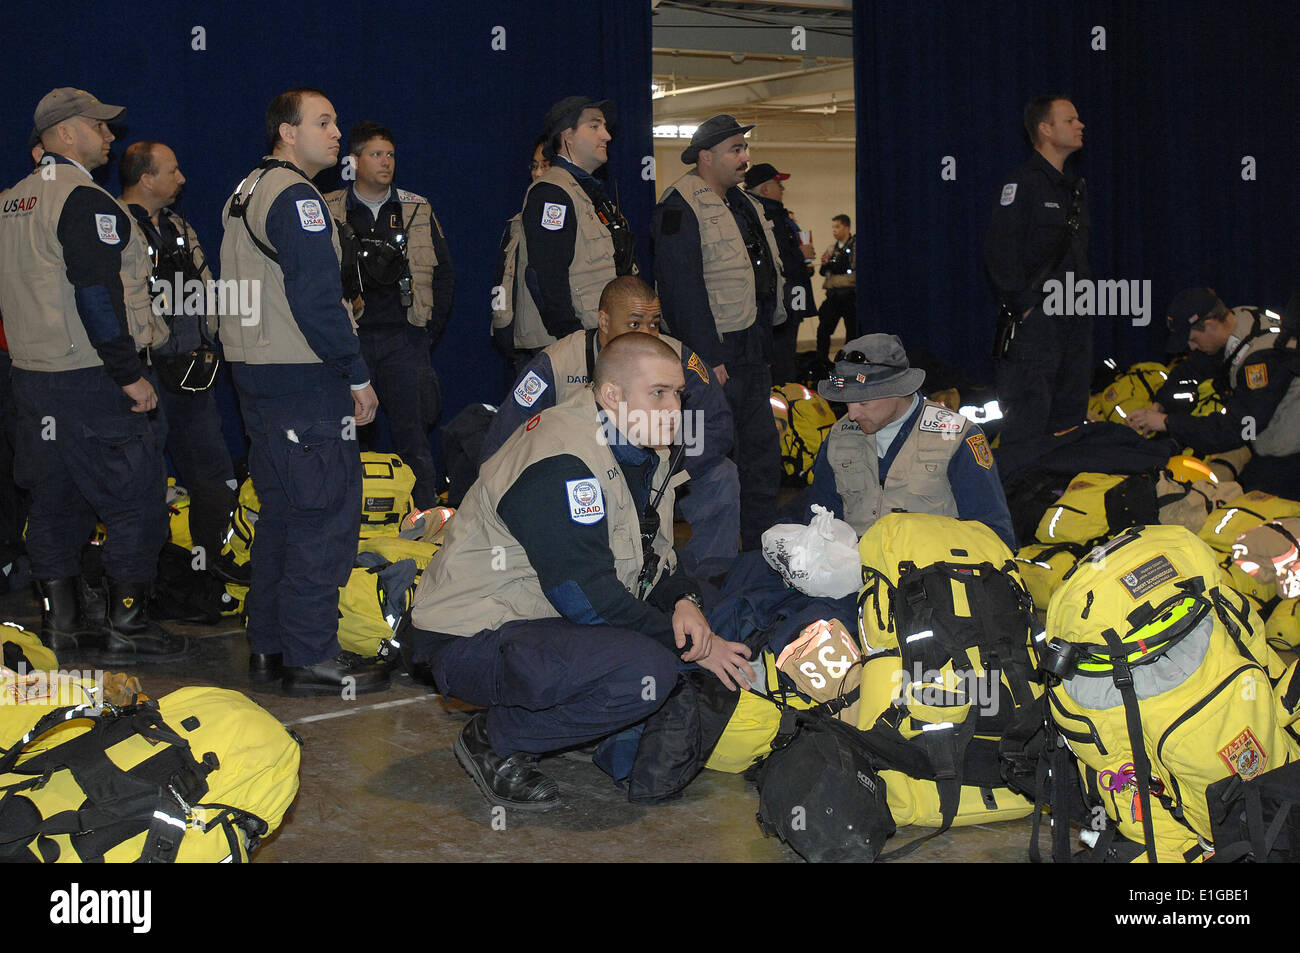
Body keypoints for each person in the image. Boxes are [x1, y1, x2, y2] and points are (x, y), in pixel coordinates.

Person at [405, 333, 753, 811]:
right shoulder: (562, 461)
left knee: (716, 612)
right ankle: (496, 739)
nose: (675, 408)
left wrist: (684, 603)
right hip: (471, 633)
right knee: (646, 668)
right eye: (658, 393)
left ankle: (589, 721)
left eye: (678, 393)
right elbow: (586, 600)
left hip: (542, 615)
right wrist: (696, 645)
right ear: (612, 395)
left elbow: (655, 561)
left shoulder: (640, 448)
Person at [0, 87, 187, 661]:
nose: (110, 137)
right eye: (98, 127)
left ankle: (61, 624)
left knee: (54, 502)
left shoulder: (12, 201)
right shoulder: (86, 200)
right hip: (92, 379)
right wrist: (129, 373)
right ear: (63, 134)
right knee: (136, 501)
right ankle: (128, 626)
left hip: (32, 380)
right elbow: (97, 296)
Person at [218, 87, 388, 696]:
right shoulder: (297, 197)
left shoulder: (246, 189)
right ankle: (313, 654)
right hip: (302, 377)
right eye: (323, 121)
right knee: (322, 517)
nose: (337, 132)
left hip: (257, 376)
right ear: (287, 133)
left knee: (284, 516)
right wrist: (356, 373)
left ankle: (270, 645)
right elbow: (316, 300)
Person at [483, 275, 741, 578]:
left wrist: (668, 467)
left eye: (654, 323)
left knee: (722, 476)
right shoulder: (558, 364)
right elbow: (504, 441)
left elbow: (715, 425)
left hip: (659, 471)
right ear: (603, 321)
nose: (648, 333)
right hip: (583, 478)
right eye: (634, 324)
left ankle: (706, 581)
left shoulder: (677, 357)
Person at [652, 114, 786, 551]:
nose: (744, 157)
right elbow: (681, 288)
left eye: (745, 148)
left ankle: (761, 546)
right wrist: (709, 358)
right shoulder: (679, 206)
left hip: (751, 348)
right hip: (713, 353)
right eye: (735, 149)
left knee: (761, 450)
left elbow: (759, 279)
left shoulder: (743, 203)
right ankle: (710, 558)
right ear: (706, 156)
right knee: (709, 455)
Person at [324, 121, 454, 510]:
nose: (386, 162)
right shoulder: (328, 207)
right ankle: (346, 517)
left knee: (412, 437)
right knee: (347, 434)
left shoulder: (417, 207)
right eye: (376, 154)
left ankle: (426, 516)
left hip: (404, 339)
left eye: (391, 154)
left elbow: (445, 275)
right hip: (350, 341)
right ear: (354, 160)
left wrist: (425, 334)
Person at [118, 140, 236, 564]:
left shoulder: (180, 228)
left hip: (193, 373)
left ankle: (207, 569)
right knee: (142, 484)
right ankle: (142, 582)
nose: (182, 179)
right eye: (173, 170)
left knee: (217, 478)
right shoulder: (112, 226)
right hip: (142, 376)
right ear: (146, 178)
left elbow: (205, 290)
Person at [803, 333, 1015, 549]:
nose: (852, 414)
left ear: (897, 390)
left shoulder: (956, 437)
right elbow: (818, 519)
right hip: (852, 573)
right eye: (846, 403)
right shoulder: (840, 436)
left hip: (931, 576)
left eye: (863, 403)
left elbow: (995, 536)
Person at [984, 95, 1091, 446]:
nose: (1080, 125)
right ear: (1045, 128)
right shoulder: (1023, 183)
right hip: (1039, 324)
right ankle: (1018, 495)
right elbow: (1000, 252)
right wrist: (1027, 307)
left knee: (1069, 418)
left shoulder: (1074, 188)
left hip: (1075, 317)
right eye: (1071, 120)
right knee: (1029, 420)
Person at [1127, 288, 1300, 495]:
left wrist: (1166, 422)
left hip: (1288, 455)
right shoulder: (1240, 319)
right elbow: (1192, 368)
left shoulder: (1261, 361)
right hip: (1266, 439)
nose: (1191, 347)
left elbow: (1237, 430)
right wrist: (1159, 404)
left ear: (1210, 325)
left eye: (1193, 340)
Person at [522, 96, 636, 343]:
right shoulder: (552, 193)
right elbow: (546, 276)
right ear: (568, 136)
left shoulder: (591, 193)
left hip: (599, 334)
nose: (606, 136)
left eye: (604, 127)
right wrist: (573, 339)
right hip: (571, 343)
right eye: (594, 126)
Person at [744, 162, 816, 384]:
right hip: (780, 301)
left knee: (787, 351)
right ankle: (783, 402)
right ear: (765, 189)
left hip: (792, 297)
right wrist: (799, 254)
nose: (782, 188)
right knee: (781, 356)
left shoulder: (778, 216)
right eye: (778, 184)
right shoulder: (765, 217)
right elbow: (775, 260)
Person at [815, 213, 857, 361]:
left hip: (849, 294)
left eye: (837, 227)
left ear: (846, 227)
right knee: (823, 329)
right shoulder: (831, 248)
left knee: (852, 331)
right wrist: (828, 264)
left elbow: (845, 267)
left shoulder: (853, 246)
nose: (834, 230)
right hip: (832, 294)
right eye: (833, 227)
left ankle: (847, 361)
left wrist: (832, 265)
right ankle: (822, 360)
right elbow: (823, 270)